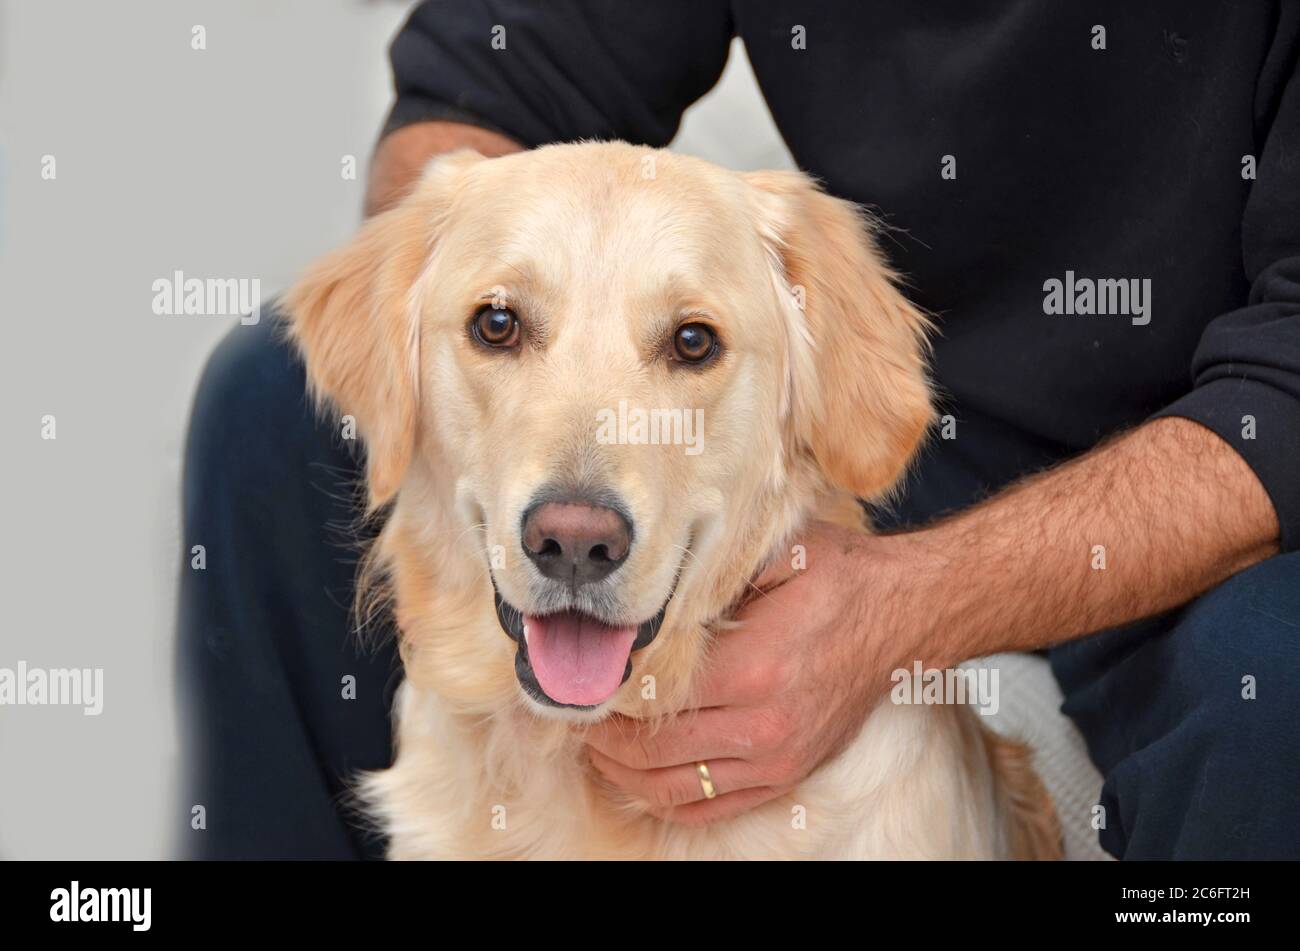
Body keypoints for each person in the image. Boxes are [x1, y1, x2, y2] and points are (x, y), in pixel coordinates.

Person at [179, 1, 1300, 860]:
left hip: (1213, 464)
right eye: (504, 328)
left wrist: (895, 613)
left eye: (688, 339)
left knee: (1280, 690)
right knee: (268, 407)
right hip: (836, 412)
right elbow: (484, 74)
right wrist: (470, 261)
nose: (572, 525)